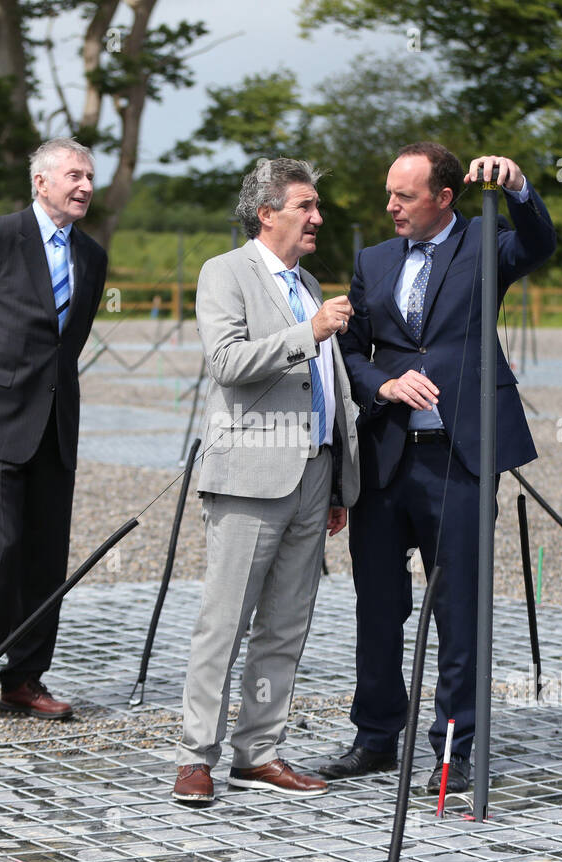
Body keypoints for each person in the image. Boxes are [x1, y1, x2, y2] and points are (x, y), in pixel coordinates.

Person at [316, 142, 556, 792]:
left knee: (459, 607)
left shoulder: (486, 241)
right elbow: (351, 348)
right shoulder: (374, 259)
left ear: (443, 198)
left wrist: (519, 189)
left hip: (462, 456)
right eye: (390, 193)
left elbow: (538, 246)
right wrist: (384, 387)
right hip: (386, 458)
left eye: (404, 195)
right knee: (379, 604)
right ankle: (375, 738)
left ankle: (456, 746)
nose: (390, 205)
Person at [172, 158, 361, 804]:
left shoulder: (307, 280)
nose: (318, 218)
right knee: (223, 624)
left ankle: (258, 751)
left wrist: (337, 481)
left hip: (313, 476)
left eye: (316, 206)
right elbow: (227, 364)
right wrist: (308, 332)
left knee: (286, 625)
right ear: (267, 213)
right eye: (306, 206)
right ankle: (196, 755)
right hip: (250, 478)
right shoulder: (223, 274)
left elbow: (329, 388)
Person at [0, 138, 108, 724]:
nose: (84, 186)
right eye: (73, 176)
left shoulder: (93, 256)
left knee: (45, 556)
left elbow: (68, 343)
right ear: (41, 182)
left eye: (89, 177)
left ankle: (24, 678)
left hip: (55, 425)